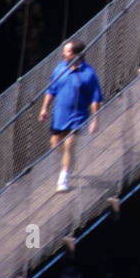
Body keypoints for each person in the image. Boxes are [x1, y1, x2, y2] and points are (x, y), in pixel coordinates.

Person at [39, 38, 102, 193]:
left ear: (75, 54)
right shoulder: (59, 69)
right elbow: (51, 90)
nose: (63, 54)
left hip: (77, 117)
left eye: (66, 51)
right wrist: (44, 109)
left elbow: (95, 99)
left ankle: (63, 178)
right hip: (59, 116)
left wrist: (95, 119)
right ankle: (70, 159)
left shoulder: (89, 74)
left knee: (69, 144)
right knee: (55, 145)